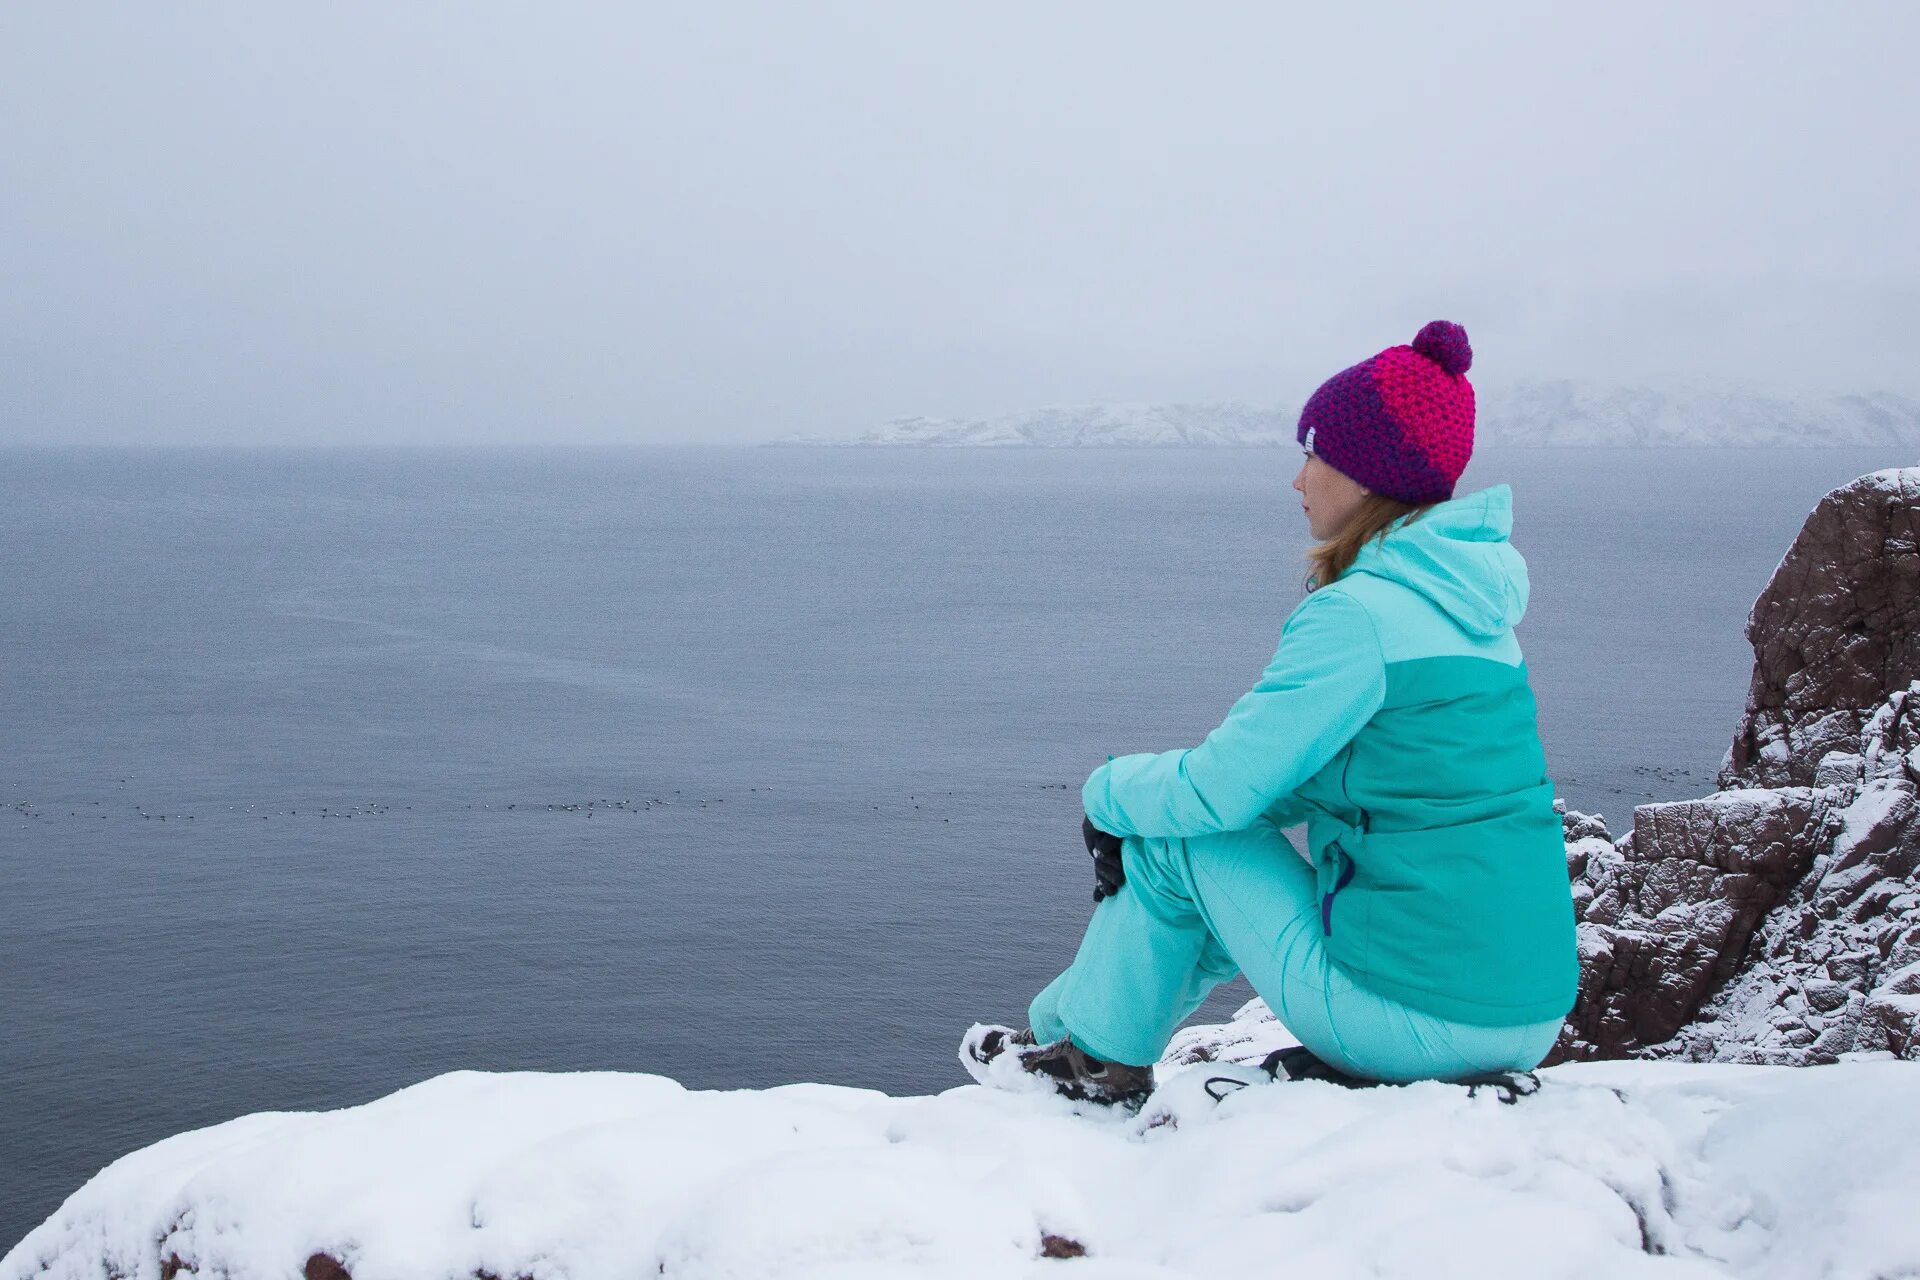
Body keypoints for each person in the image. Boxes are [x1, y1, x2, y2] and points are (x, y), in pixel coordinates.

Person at [962, 320, 1579, 1106]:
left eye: (1311, 455)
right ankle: (1075, 1036)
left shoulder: (1360, 617)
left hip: (1419, 1023)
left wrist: (1104, 793)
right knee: (1193, 839)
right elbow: (1334, 781)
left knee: (1178, 846)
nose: (1299, 481)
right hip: (1528, 1017)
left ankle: (1090, 1066)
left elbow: (1220, 791)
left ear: (1362, 473)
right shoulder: (1478, 617)